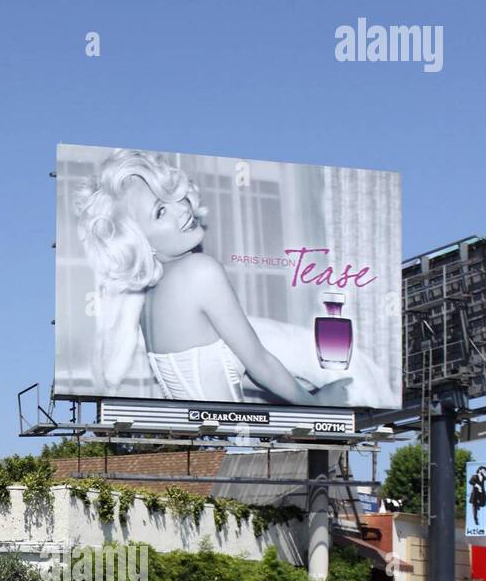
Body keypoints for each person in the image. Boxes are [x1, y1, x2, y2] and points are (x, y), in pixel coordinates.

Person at [74, 148, 353, 405]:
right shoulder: (199, 270)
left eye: (173, 195)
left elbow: (227, 372)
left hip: (199, 436)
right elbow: (259, 363)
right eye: (160, 211)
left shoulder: (150, 296)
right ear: (138, 242)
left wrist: (300, 388)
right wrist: (317, 404)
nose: (182, 210)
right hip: (227, 439)